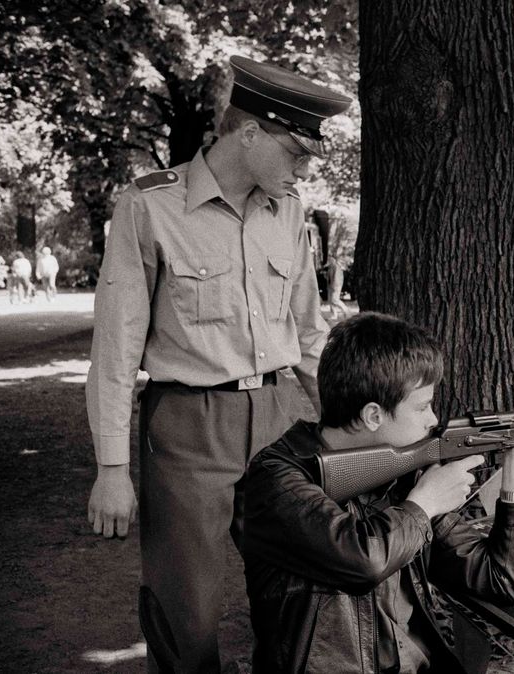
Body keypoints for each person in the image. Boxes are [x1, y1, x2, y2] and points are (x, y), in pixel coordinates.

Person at [84, 54, 352, 673]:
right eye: (297, 153)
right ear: (250, 132)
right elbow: (116, 348)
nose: (304, 169)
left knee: (296, 598)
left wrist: (342, 423)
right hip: (189, 425)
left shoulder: (289, 212)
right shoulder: (150, 205)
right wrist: (111, 469)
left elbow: (308, 334)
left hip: (281, 420)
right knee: (187, 611)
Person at [242, 312, 514, 673]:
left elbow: (500, 580)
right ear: (373, 416)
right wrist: (424, 503)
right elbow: (363, 560)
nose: (433, 419)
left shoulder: (403, 475)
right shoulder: (275, 480)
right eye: (421, 407)